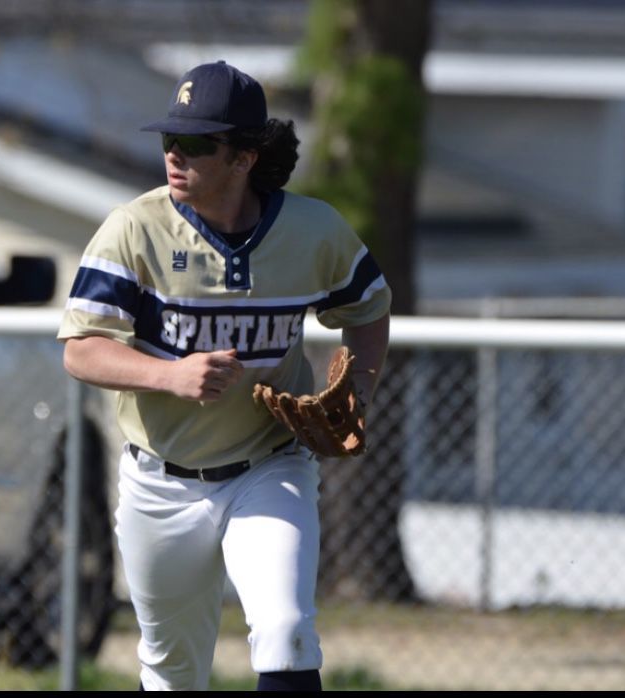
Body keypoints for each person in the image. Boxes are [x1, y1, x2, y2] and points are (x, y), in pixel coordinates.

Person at [59, 60, 391, 691]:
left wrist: (362, 389)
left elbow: (369, 308)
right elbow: (81, 348)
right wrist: (169, 375)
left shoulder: (311, 230)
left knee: (286, 630)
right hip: (160, 479)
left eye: (195, 143)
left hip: (268, 465)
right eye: (169, 140)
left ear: (243, 158)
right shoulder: (134, 228)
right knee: (171, 670)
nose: (174, 155)